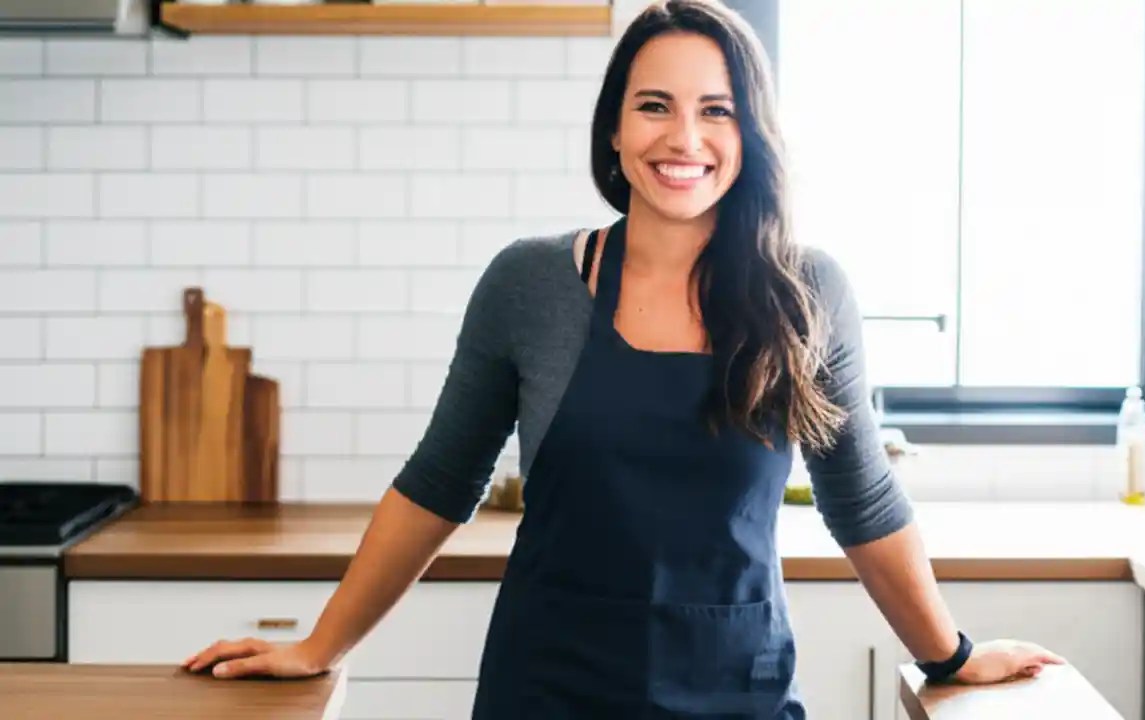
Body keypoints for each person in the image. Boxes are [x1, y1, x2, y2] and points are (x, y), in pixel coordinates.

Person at [182, 1, 1064, 716]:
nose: (684, 138)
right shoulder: (531, 283)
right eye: (655, 106)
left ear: (750, 133)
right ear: (612, 130)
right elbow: (439, 483)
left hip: (737, 694)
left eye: (716, 110)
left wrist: (947, 656)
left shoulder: (808, 293)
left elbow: (863, 501)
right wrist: (318, 645)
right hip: (548, 691)